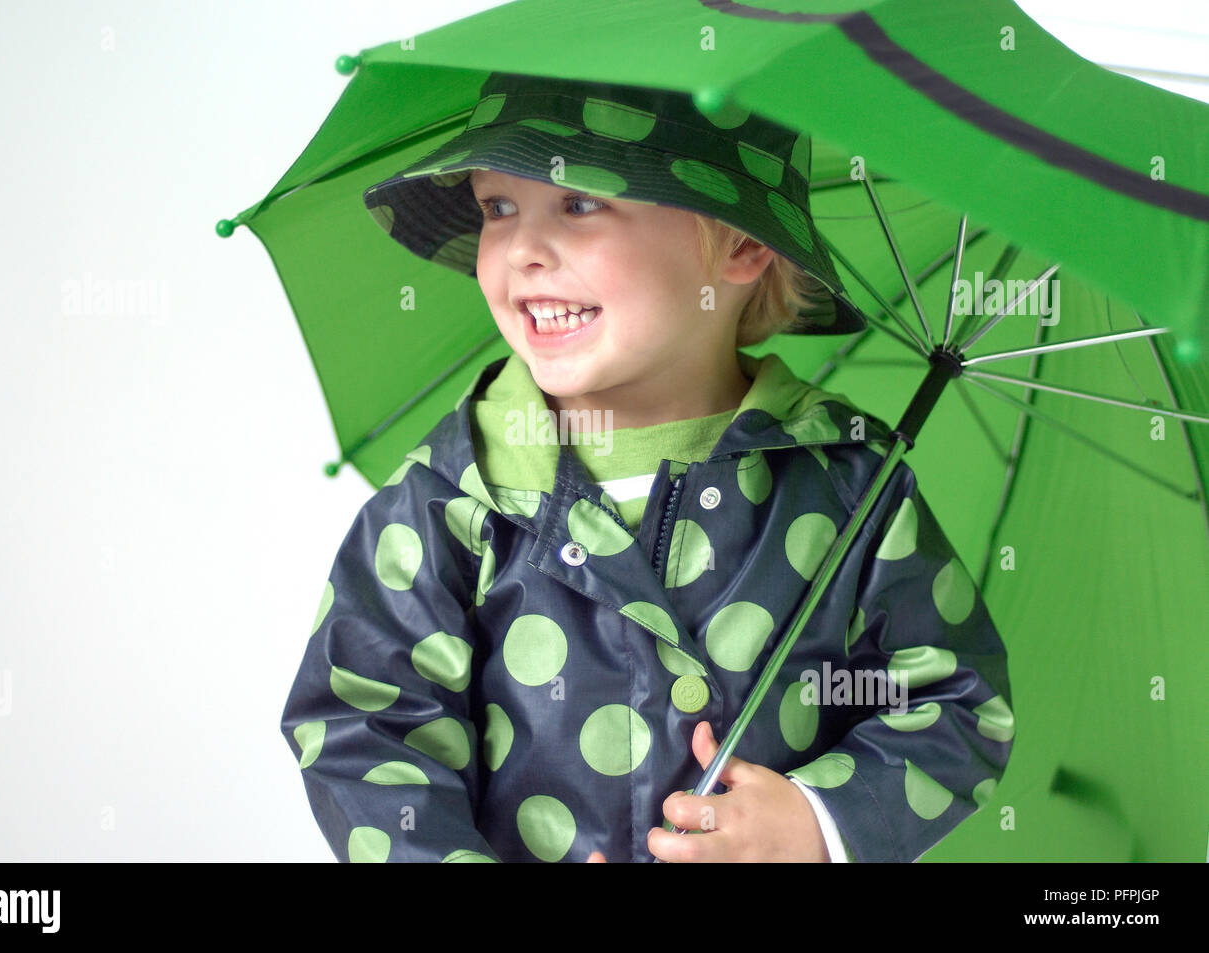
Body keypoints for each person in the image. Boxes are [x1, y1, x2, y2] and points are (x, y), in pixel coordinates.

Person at [280, 71, 1015, 862]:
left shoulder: (847, 484)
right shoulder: (453, 498)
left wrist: (814, 820)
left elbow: (955, 701)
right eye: (498, 206)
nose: (523, 249)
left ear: (740, 243)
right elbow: (365, 728)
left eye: (580, 202)